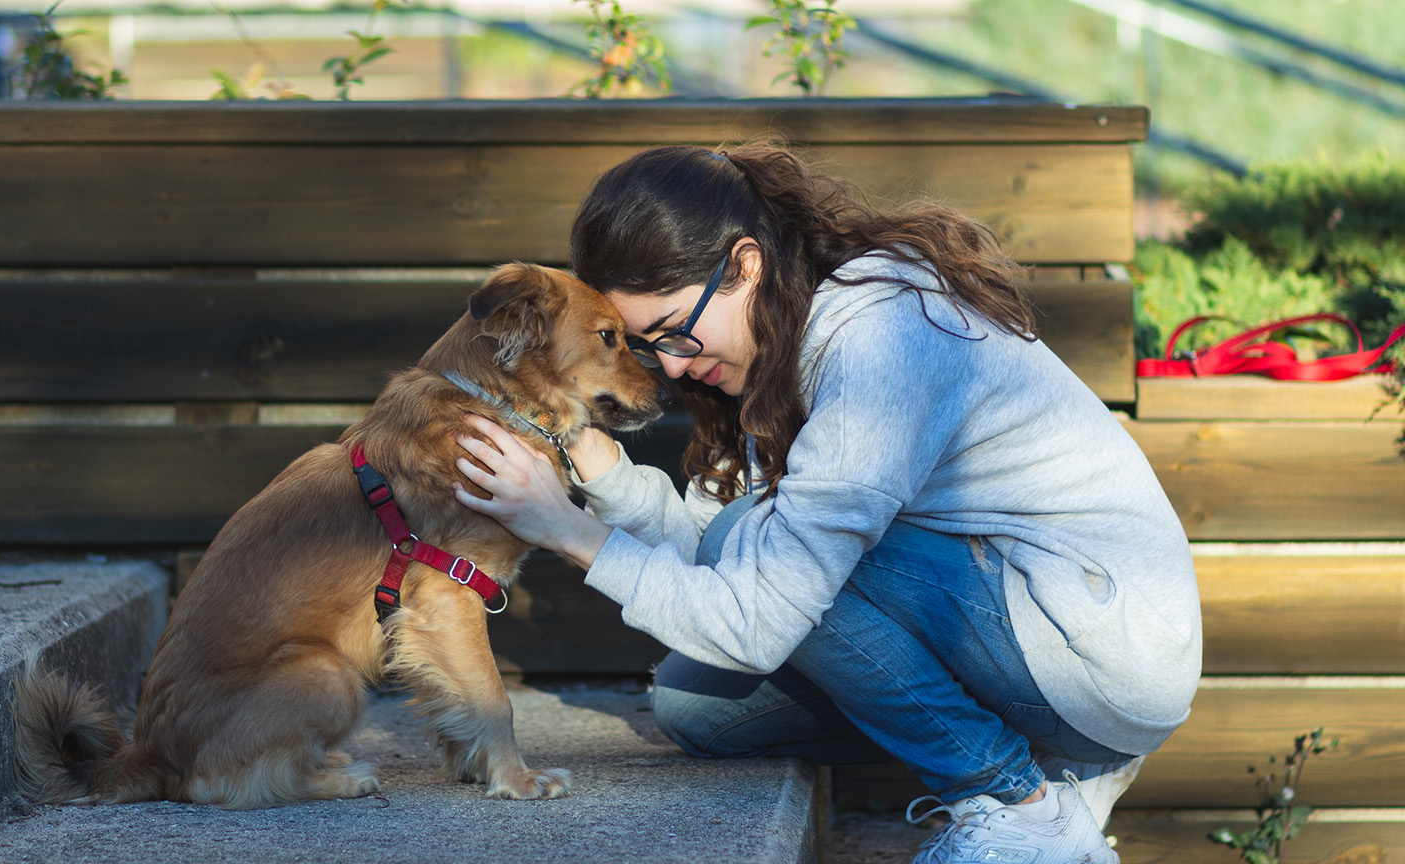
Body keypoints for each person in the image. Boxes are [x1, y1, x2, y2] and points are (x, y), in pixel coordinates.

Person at [451, 142, 1201, 864]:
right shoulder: (775, 344)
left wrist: (568, 530)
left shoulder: (882, 338)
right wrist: (600, 472)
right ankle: (1056, 764)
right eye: (650, 346)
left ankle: (1019, 805)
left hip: (1097, 641)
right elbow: (717, 556)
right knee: (696, 704)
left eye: (675, 330)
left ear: (746, 263)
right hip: (1022, 632)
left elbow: (755, 602)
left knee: (756, 557)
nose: (674, 365)